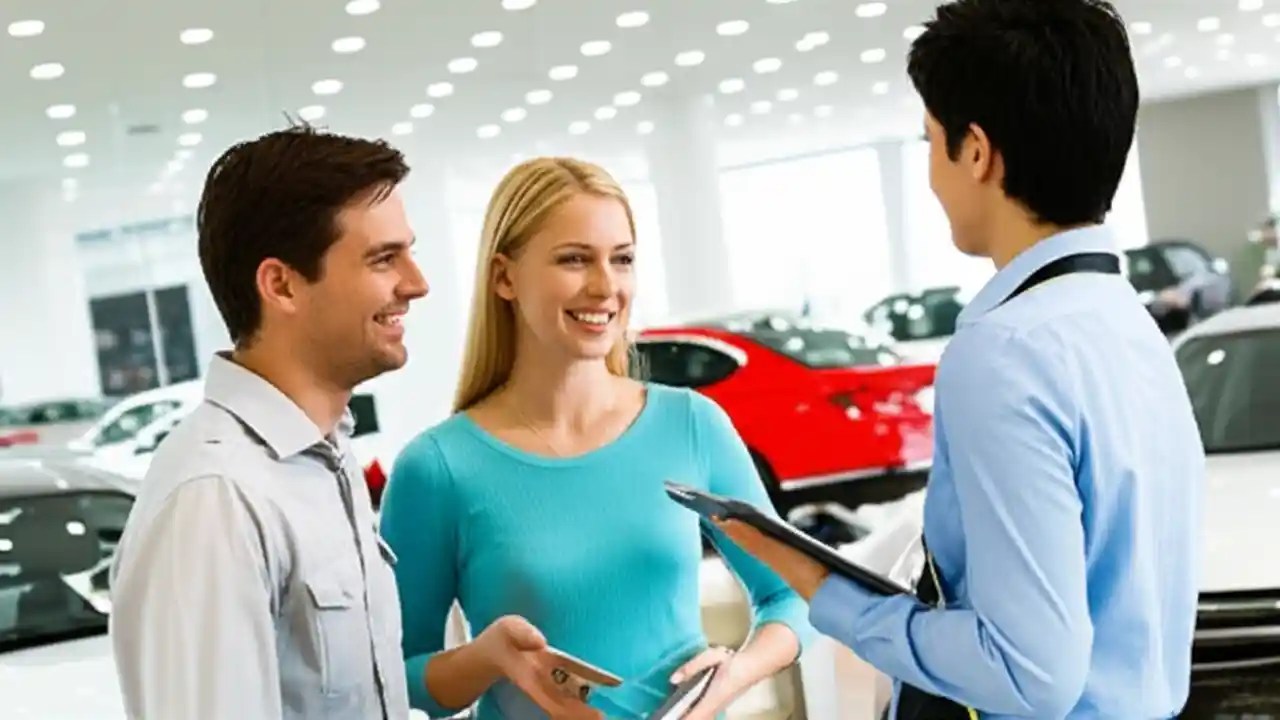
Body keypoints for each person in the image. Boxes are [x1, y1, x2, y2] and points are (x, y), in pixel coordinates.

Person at [720, 1, 1204, 718]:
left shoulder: (1006, 351)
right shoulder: (1126, 324)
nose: (931, 172)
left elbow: (1029, 672)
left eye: (929, 141)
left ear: (976, 152)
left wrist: (826, 591)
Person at [378, 157, 814, 720]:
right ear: (504, 277)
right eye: (574, 259)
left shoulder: (692, 426)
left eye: (622, 259)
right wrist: (489, 658)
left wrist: (732, 679)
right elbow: (395, 675)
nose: (606, 286)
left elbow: (795, 594)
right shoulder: (437, 467)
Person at [108, 124, 429, 719]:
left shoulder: (323, 459)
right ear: (280, 284)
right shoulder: (216, 497)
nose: (416, 283)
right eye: (384, 258)